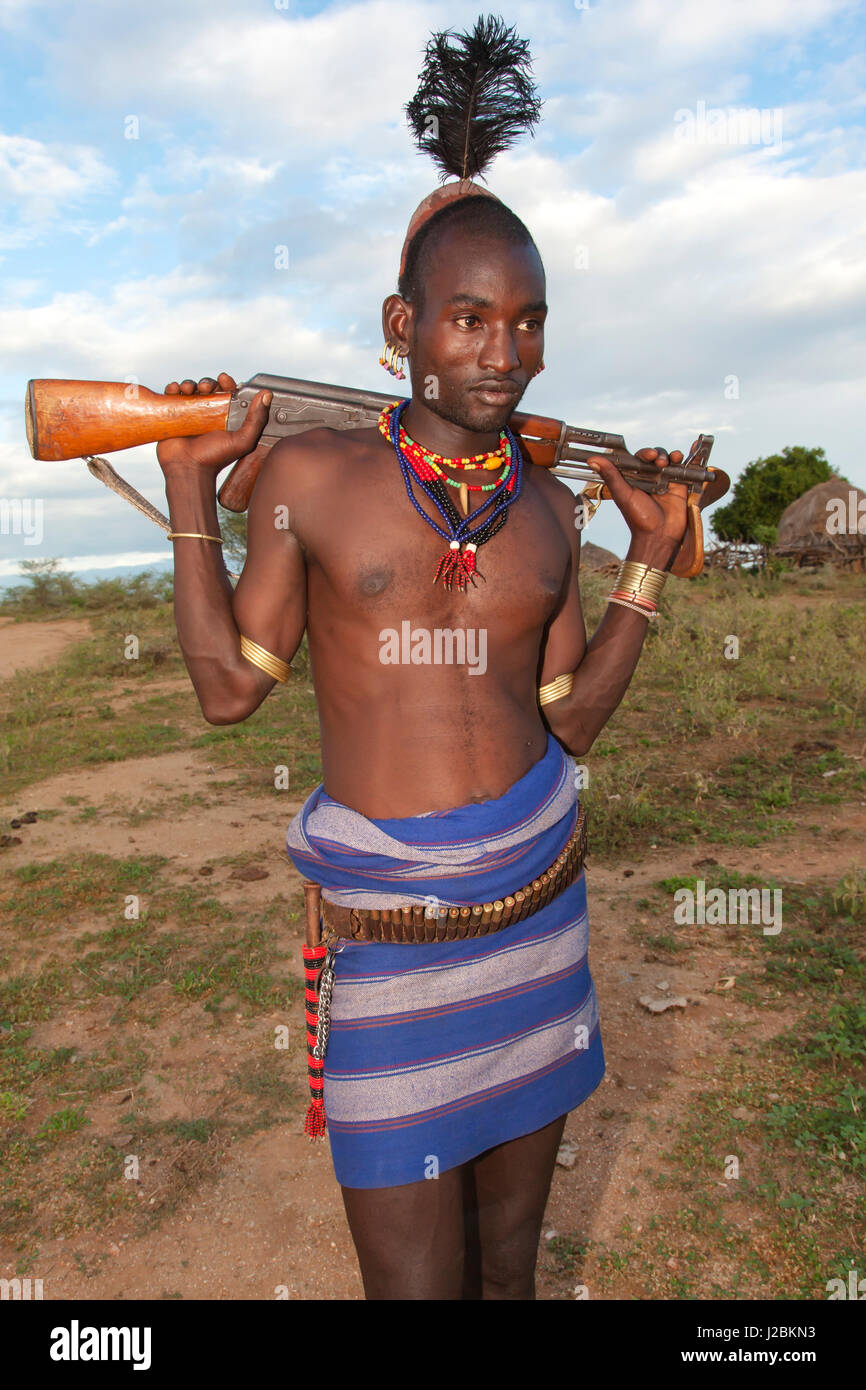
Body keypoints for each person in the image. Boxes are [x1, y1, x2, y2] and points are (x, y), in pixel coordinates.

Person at [155, 184, 691, 1298]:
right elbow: (225, 690)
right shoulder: (310, 481)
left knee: (507, 1276)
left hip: (537, 924)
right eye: (470, 317)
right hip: (390, 944)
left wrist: (643, 562)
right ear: (403, 329)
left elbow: (572, 716)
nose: (507, 352)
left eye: (529, 320)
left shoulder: (545, 505)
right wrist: (188, 490)